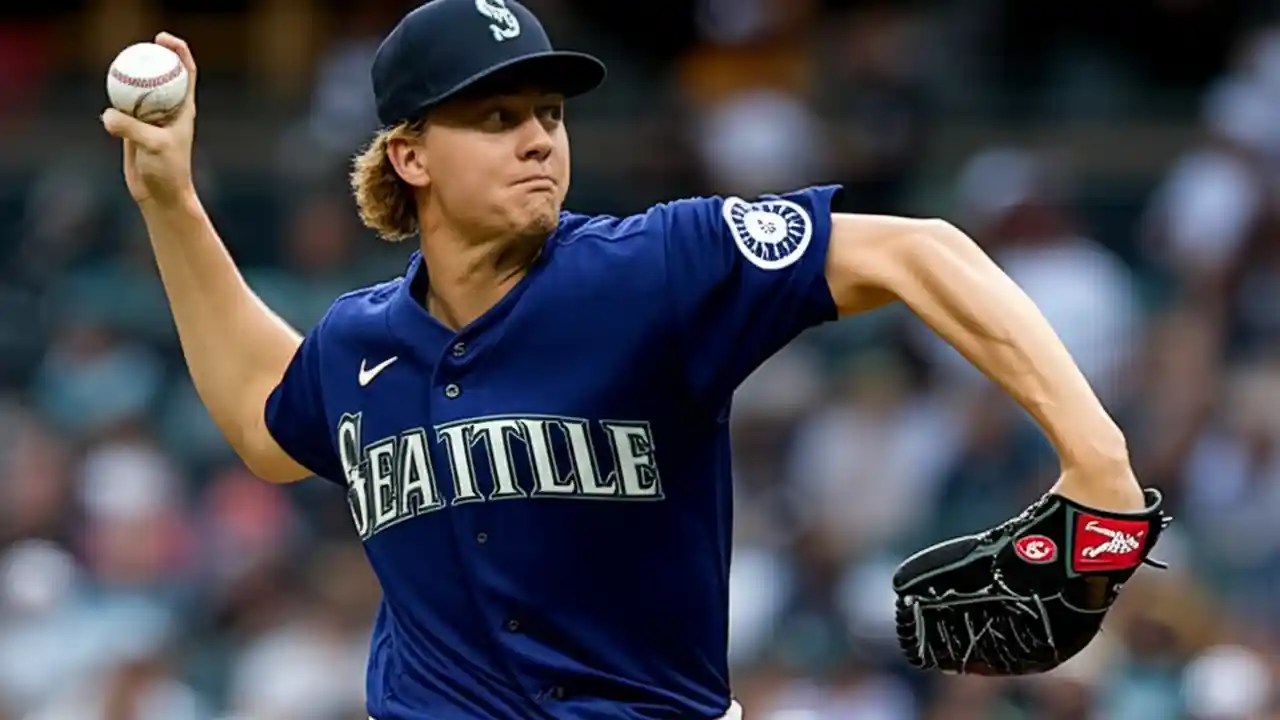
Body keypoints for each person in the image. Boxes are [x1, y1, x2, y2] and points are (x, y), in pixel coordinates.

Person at [99, 1, 1149, 718]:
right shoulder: (358, 341)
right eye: (496, 117)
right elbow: (263, 420)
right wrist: (170, 197)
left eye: (549, 114)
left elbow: (919, 251)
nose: (538, 139)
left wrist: (1096, 460)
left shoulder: (654, 267)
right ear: (408, 155)